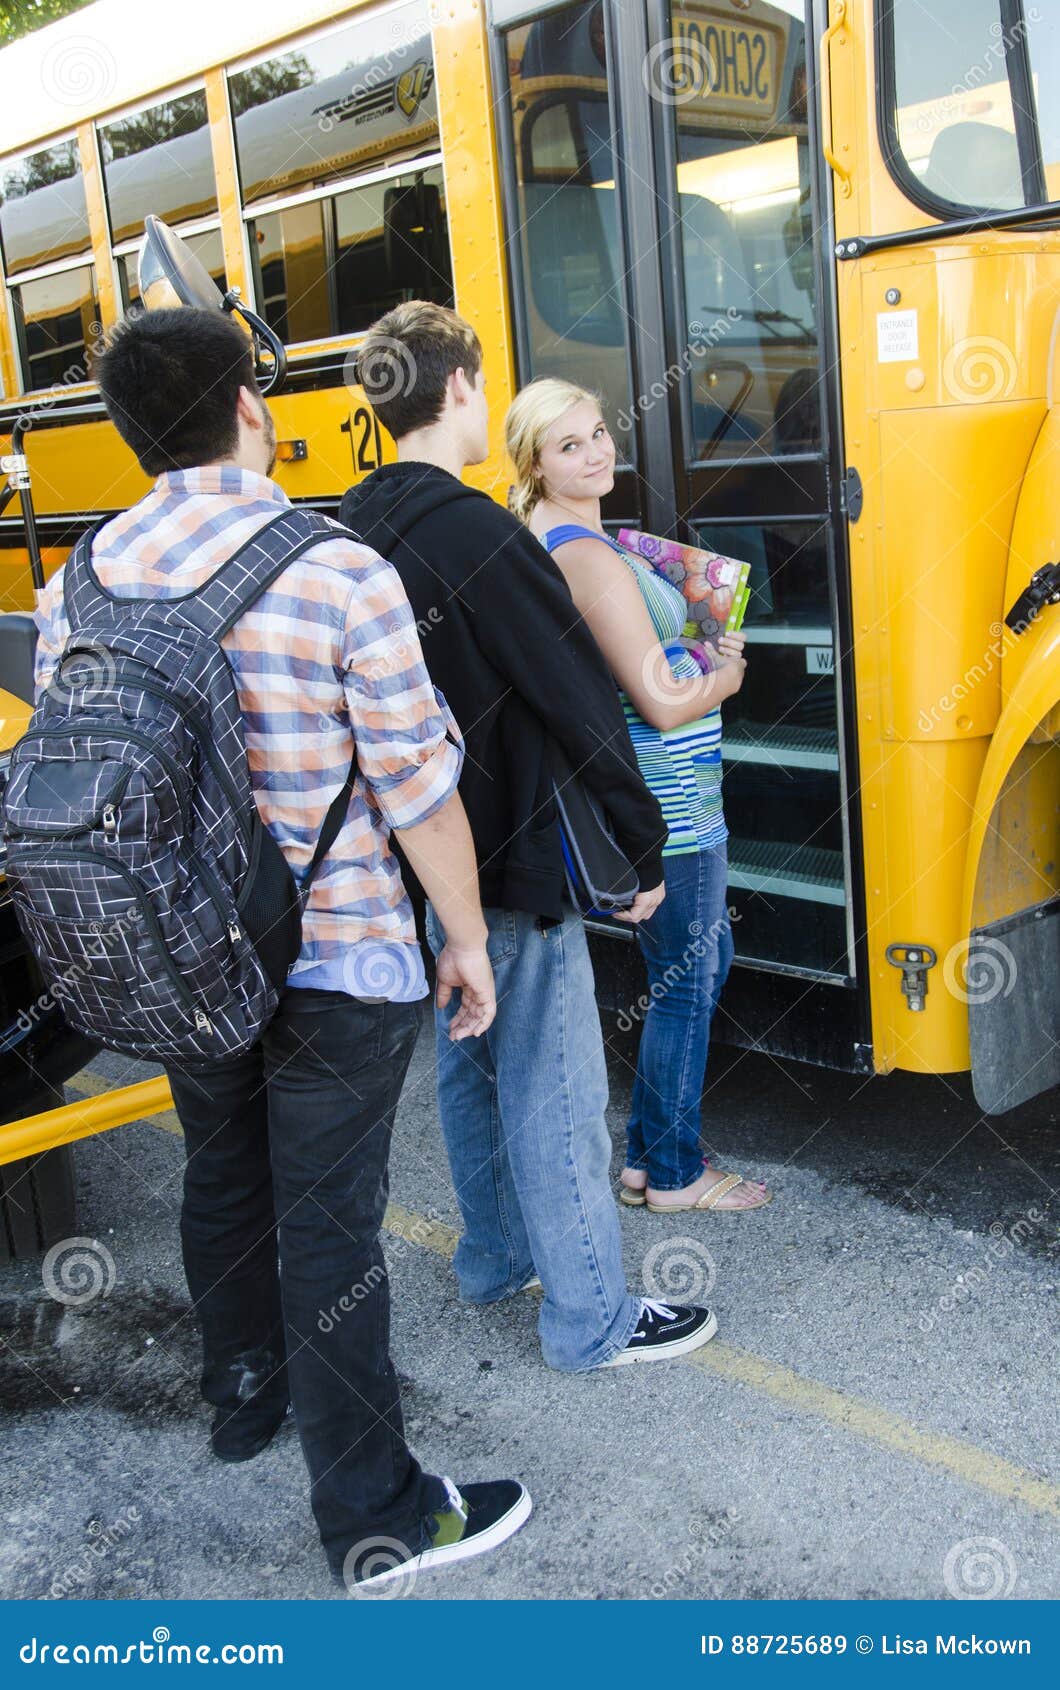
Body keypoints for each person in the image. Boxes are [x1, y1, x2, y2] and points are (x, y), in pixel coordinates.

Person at [32, 307, 530, 1591]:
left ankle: (244, 1397)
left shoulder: (76, 576)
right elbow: (417, 788)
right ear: (251, 408)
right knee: (330, 1227)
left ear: (130, 434)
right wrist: (464, 941)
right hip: (338, 954)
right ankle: (376, 1516)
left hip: (180, 955)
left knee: (224, 1175)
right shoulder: (336, 565)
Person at [342, 301, 718, 1371]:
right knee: (552, 1080)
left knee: (468, 1057)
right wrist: (640, 846)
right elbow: (574, 702)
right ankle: (591, 1317)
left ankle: (494, 1260)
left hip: (412, 852)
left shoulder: (350, 519)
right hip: (509, 850)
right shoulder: (479, 533)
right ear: (460, 384)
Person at [506, 377, 771, 1217]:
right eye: (569, 446)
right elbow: (653, 700)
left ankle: (645, 1158)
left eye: (597, 434)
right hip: (670, 799)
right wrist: (724, 672)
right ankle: (676, 1174)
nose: (595, 453)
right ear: (536, 464)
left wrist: (689, 639)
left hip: (668, 791)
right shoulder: (584, 555)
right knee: (688, 980)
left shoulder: (574, 538)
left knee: (696, 966)